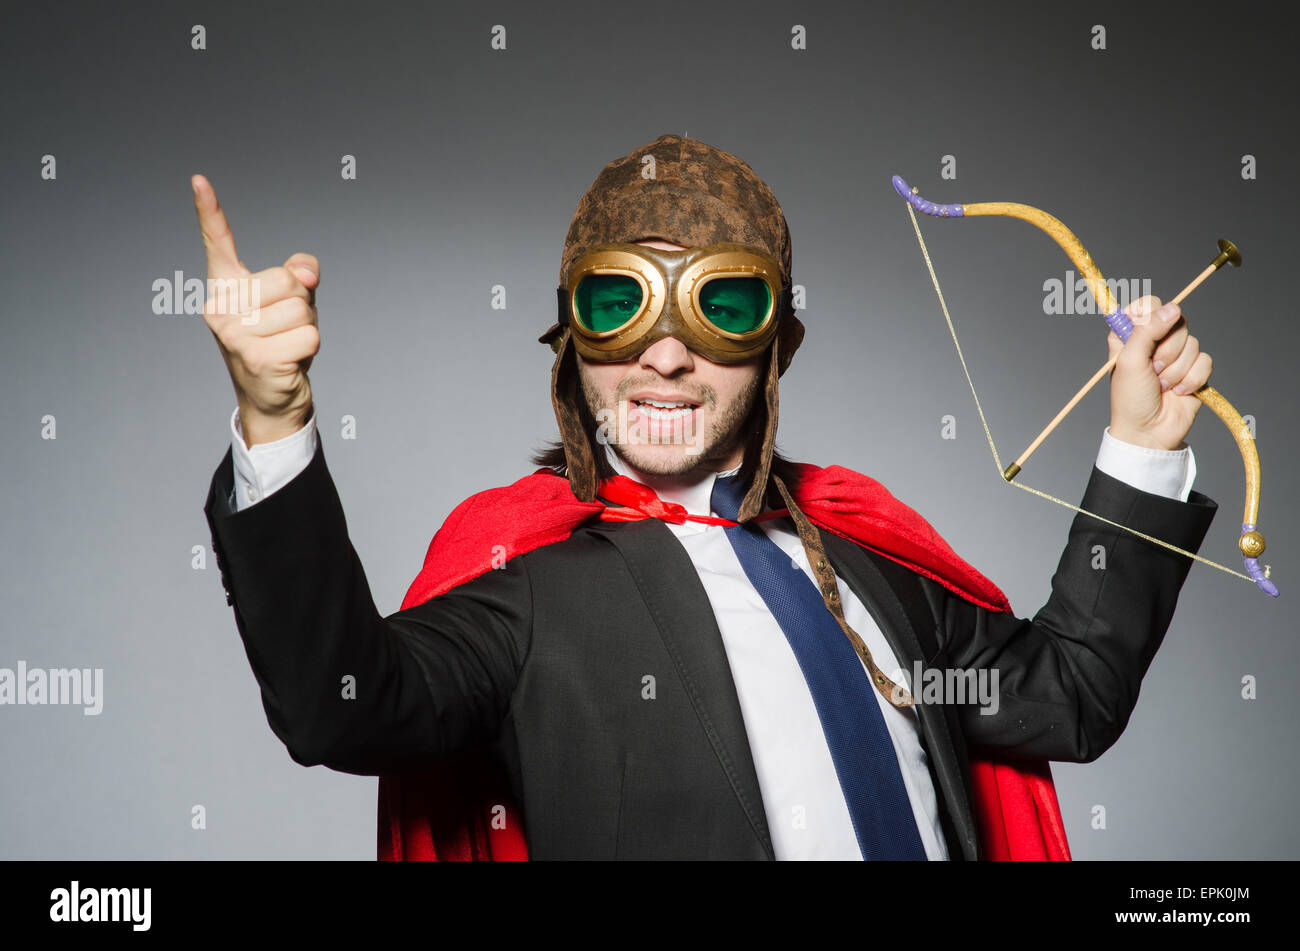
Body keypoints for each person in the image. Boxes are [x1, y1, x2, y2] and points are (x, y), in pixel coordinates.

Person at [195, 134, 1217, 860]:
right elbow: (345, 712)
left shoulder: (872, 570)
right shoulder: (524, 590)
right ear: (573, 346)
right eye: (621, 302)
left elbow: (1069, 695)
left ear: (773, 349)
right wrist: (273, 417)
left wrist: (1140, 447)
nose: (670, 353)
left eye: (720, 304)